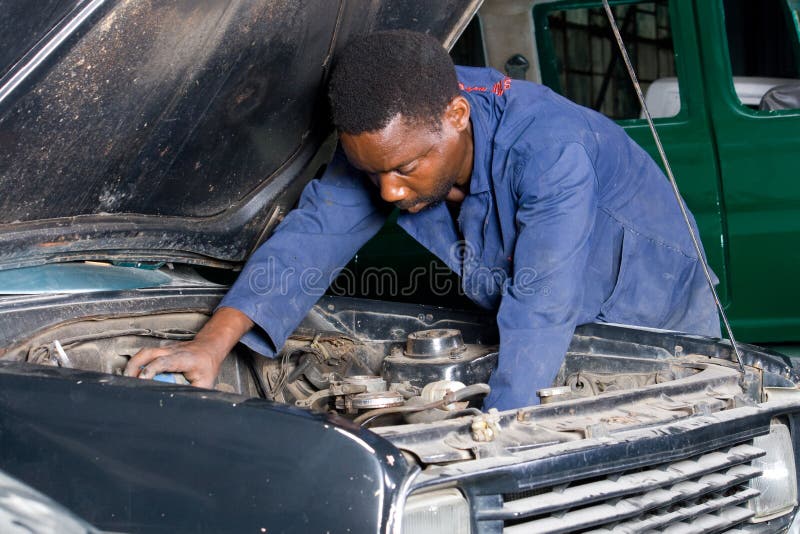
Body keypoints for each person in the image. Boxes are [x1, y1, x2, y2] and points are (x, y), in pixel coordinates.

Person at [124, 30, 720, 410]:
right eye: (371, 170)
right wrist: (210, 345)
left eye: (405, 167)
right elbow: (310, 238)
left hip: (655, 306)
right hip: (544, 315)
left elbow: (542, 300)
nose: (387, 188)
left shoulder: (548, 147)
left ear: (457, 114)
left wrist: (499, 429)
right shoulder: (390, 143)